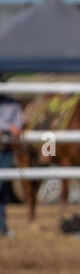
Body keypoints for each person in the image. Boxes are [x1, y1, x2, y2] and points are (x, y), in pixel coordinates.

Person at [0, 86, 23, 238]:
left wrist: (7, 128)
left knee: (3, 188)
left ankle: (2, 226)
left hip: (5, 148)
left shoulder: (12, 104)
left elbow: (18, 125)